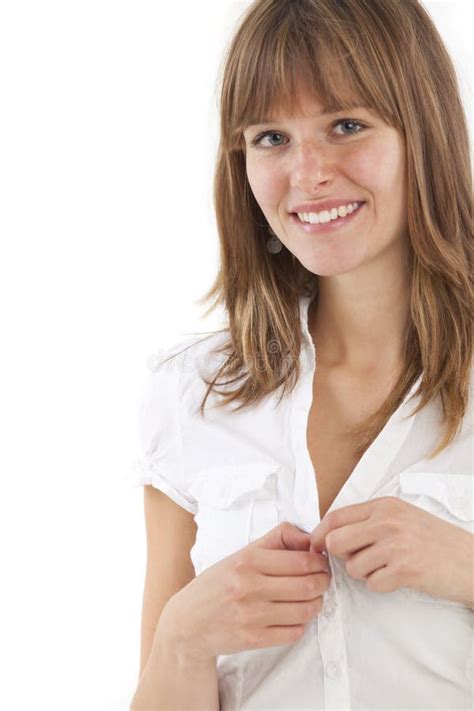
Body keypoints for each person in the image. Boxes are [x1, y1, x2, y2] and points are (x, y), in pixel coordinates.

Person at [127, 1, 473, 709]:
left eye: (346, 125)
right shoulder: (190, 392)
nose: (307, 172)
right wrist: (181, 638)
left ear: (425, 134)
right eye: (271, 137)